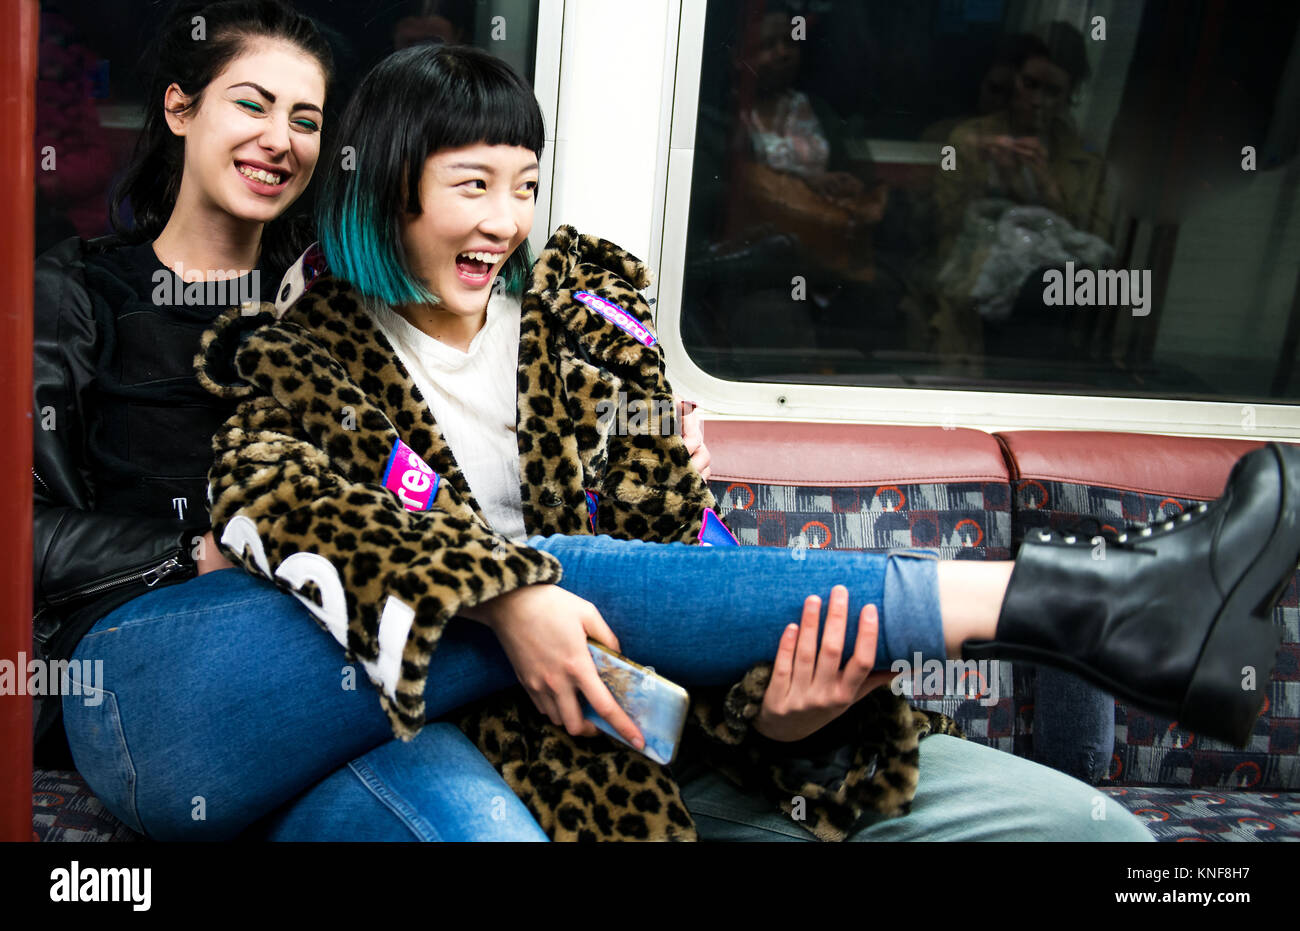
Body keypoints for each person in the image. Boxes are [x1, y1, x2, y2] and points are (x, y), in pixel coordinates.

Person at [167, 43, 1293, 841]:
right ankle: (1092, 603)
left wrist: (785, 714)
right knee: (562, 585)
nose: (507, 220)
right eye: (472, 185)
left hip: (686, 732)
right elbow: (274, 496)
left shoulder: (592, 327)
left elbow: (683, 552)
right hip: (491, 745)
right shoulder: (306, 362)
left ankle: (1108, 607)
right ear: (389, 197)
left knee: (1080, 826)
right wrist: (507, 595)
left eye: (523, 185)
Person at [37, 0, 553, 842]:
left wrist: (623, 438)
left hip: (332, 660)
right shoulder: (82, 292)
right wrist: (196, 551)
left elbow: (431, 452)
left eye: (306, 119)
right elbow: (24, 527)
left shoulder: (337, 296)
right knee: (520, 598)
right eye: (253, 103)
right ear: (179, 108)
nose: (282, 138)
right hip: (172, 650)